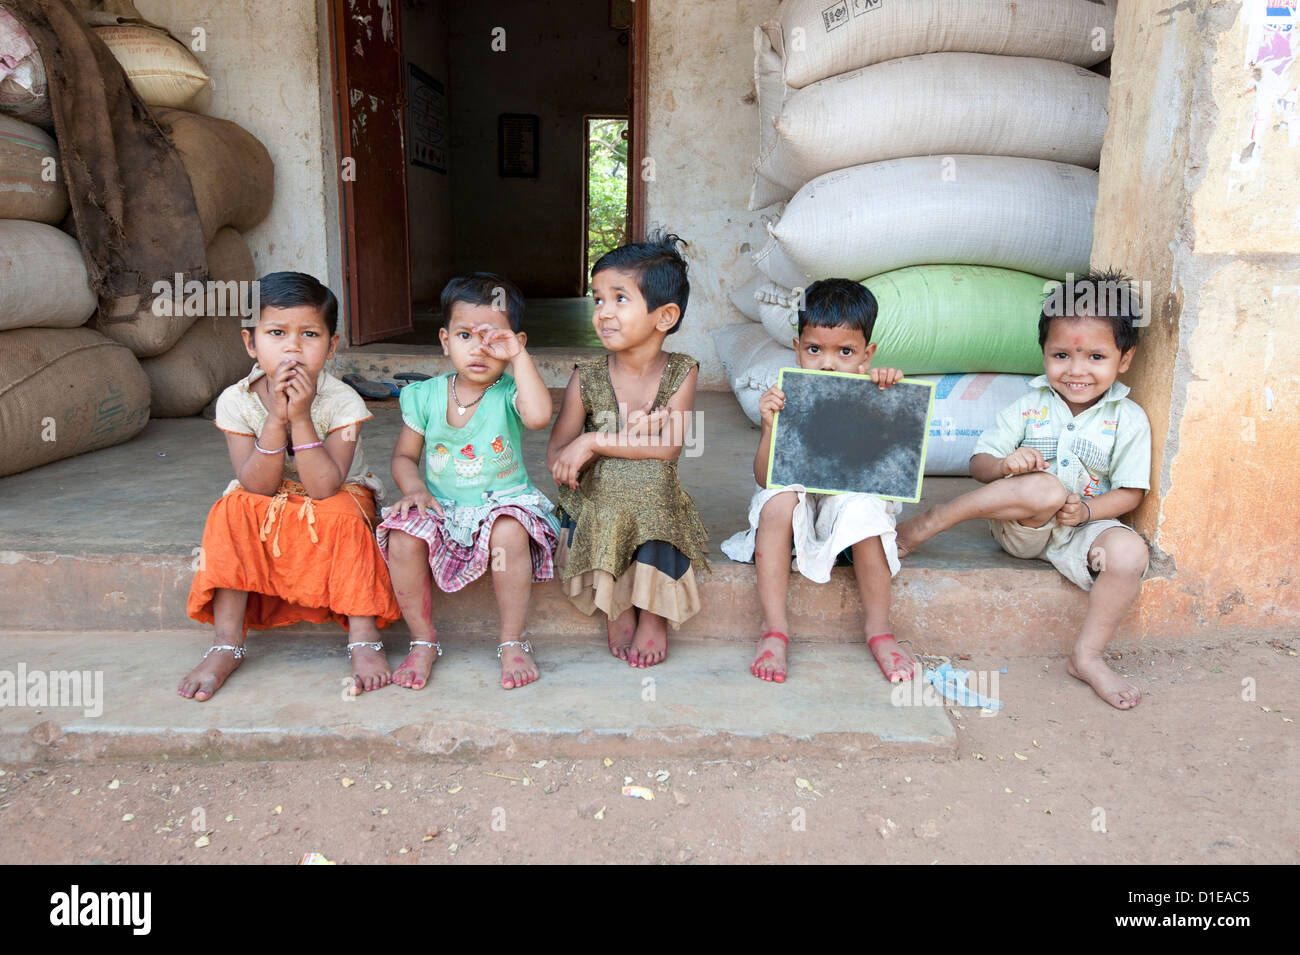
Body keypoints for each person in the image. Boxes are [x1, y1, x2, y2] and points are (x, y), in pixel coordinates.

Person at [895, 268, 1150, 709]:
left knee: (1130, 553)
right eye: (1061, 355)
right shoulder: (1028, 407)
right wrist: (1004, 466)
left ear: (1123, 358)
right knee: (1045, 490)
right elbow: (979, 464)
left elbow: (1131, 493)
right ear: (1044, 352)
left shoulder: (1128, 419)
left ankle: (1087, 656)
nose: (1076, 371)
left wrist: (1088, 513)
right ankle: (931, 521)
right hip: (1025, 526)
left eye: (1095, 357)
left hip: (1083, 533)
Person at [179, 272, 401, 701]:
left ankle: (363, 637)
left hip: (337, 489)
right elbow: (257, 485)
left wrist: (299, 416)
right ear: (250, 343)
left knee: (342, 517)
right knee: (229, 512)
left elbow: (323, 486)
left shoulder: (343, 401)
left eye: (310, 334)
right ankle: (227, 643)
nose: (293, 347)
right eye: (276, 333)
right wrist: (274, 419)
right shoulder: (236, 400)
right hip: (269, 490)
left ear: (332, 346)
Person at [722, 279, 916, 685]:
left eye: (845, 352)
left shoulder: (876, 393)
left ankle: (879, 630)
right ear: (797, 349)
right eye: (815, 349)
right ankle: (774, 629)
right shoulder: (786, 398)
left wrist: (890, 398)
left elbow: (889, 466)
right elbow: (764, 477)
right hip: (795, 513)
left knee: (864, 507)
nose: (828, 362)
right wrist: (769, 427)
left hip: (845, 513)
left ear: (867, 355)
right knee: (777, 500)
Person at [377, 274, 558, 691]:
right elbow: (404, 457)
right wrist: (415, 490)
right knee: (403, 539)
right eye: (464, 335)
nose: (478, 347)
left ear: (515, 341)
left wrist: (519, 357)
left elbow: (538, 417)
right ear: (444, 340)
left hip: (503, 503)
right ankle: (423, 640)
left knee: (509, 532)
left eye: (493, 337)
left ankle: (512, 640)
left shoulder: (510, 391)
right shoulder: (423, 397)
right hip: (443, 506)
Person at [547, 231, 707, 668]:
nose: (603, 313)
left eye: (620, 299)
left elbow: (669, 450)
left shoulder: (681, 371)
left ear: (664, 316)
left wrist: (596, 440)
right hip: (594, 502)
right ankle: (614, 602)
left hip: (652, 502)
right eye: (597, 299)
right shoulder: (588, 375)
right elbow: (558, 457)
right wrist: (597, 449)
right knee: (622, 476)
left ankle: (653, 613)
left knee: (652, 478)